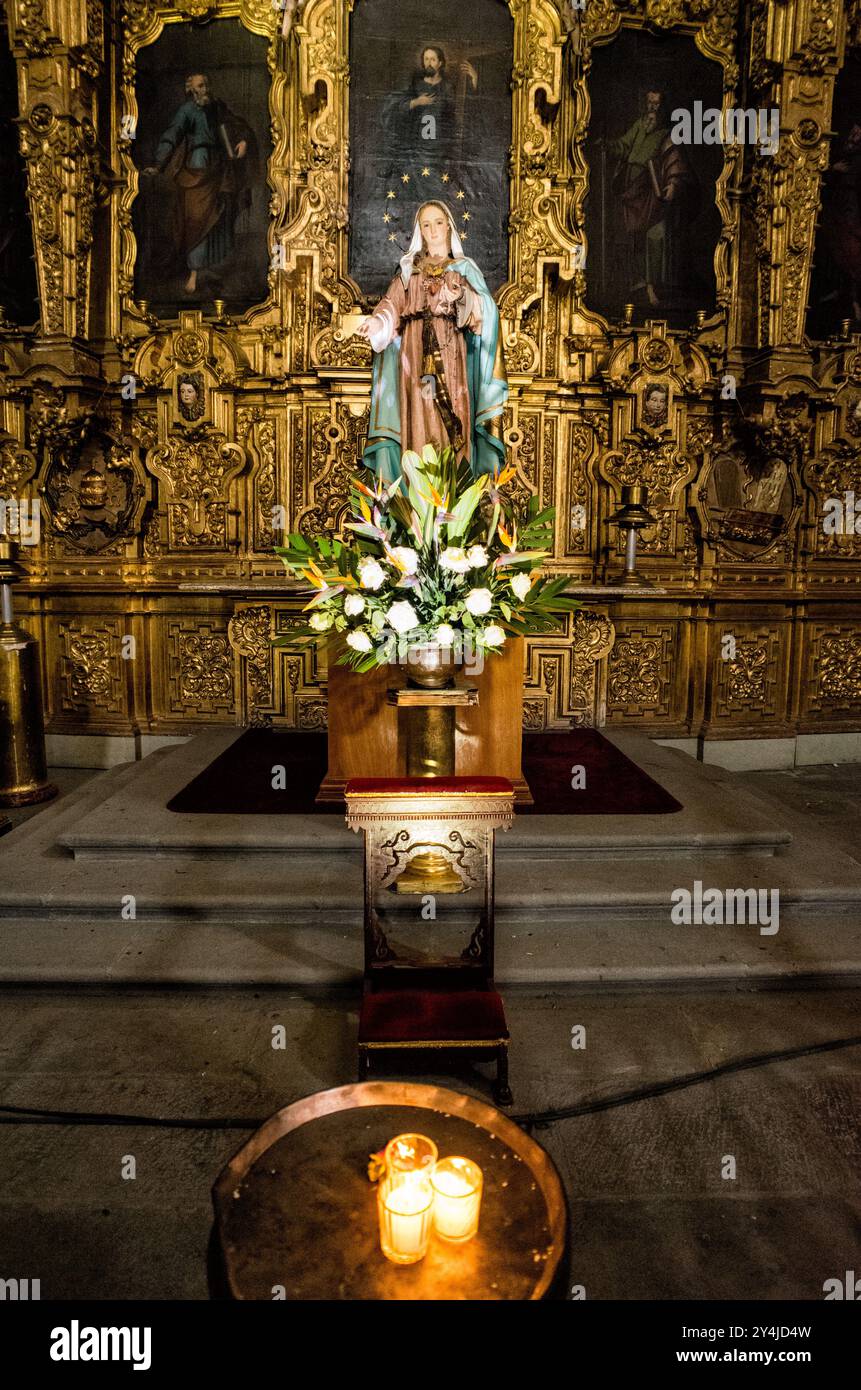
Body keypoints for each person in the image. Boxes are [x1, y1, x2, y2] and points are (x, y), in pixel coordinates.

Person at [356, 201, 508, 482]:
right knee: (419, 419)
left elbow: (487, 311)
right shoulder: (408, 272)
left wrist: (462, 298)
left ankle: (454, 498)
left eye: (438, 222)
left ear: (449, 224)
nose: (433, 229)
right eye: (426, 224)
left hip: (453, 358)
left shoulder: (463, 269)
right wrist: (377, 322)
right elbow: (391, 304)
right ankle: (418, 504)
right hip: (413, 359)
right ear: (420, 232)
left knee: (451, 417)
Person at [141, 73, 257, 294]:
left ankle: (206, 269)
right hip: (196, 167)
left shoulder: (216, 108)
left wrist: (242, 140)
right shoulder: (186, 111)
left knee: (214, 216)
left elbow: (236, 125)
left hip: (218, 168)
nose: (206, 90)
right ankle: (193, 273)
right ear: (191, 90)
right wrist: (158, 164)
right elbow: (171, 135)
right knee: (196, 220)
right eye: (201, 86)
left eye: (206, 85)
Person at [607, 89, 699, 308]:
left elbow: (676, 162)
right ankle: (636, 282)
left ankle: (653, 287)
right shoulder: (640, 126)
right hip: (631, 192)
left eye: (656, 104)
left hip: (651, 190)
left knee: (654, 236)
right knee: (632, 237)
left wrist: (673, 185)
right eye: (649, 103)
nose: (651, 108)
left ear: (662, 108)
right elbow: (623, 145)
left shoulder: (668, 135)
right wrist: (608, 146)